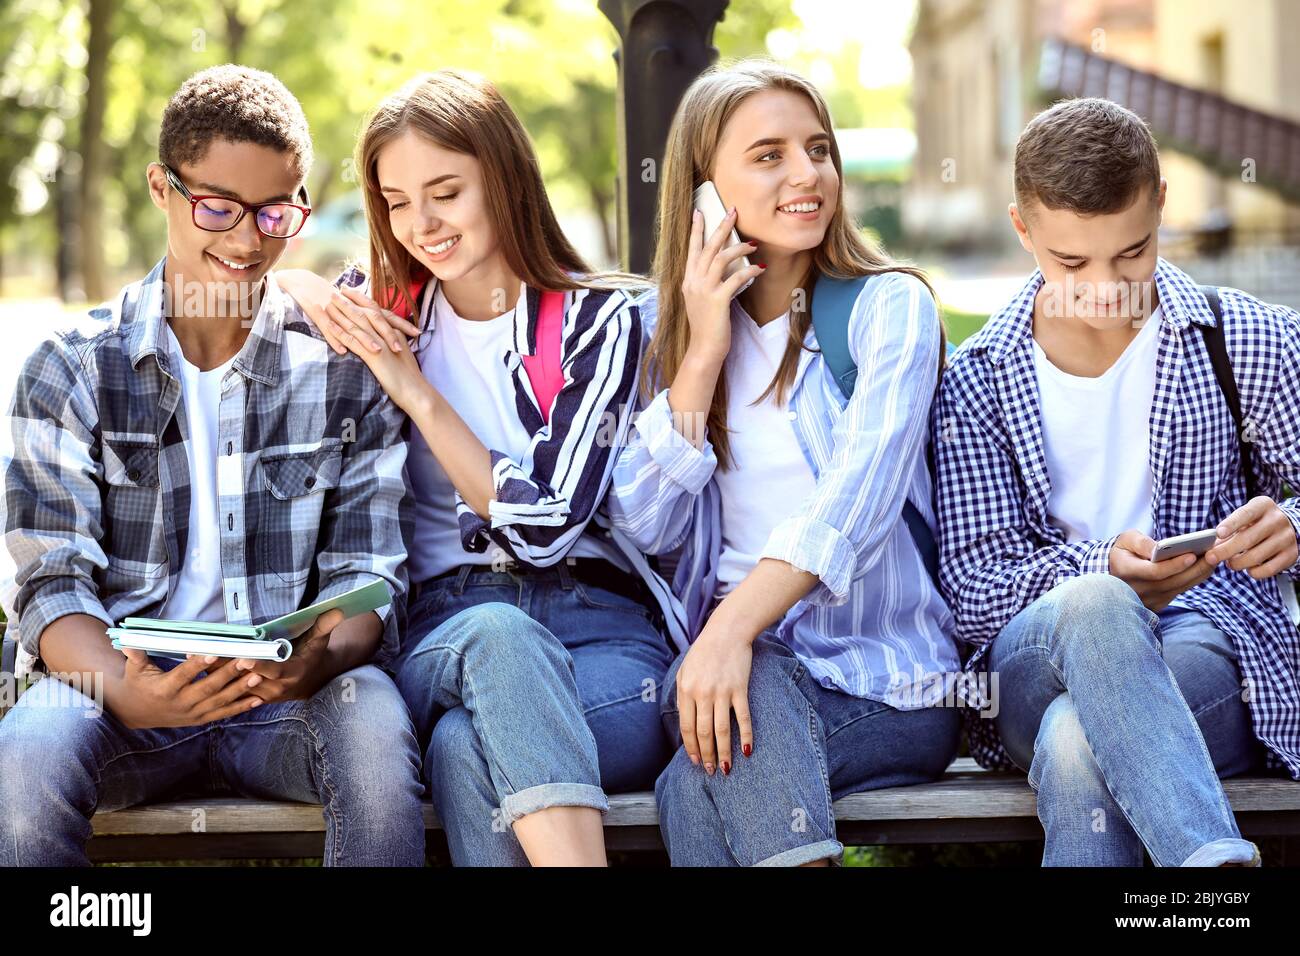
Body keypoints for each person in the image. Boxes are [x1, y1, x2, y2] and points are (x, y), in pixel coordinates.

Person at [0, 64, 425, 867]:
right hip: (123, 695)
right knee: (25, 759)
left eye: (274, 213)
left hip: (283, 698)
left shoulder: (340, 371)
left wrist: (321, 655)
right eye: (219, 208)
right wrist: (127, 689)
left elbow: (365, 571)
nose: (245, 240)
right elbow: (52, 584)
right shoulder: (72, 368)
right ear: (162, 187)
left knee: (369, 722)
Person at [276, 70, 680, 866]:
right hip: (444, 631)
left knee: (466, 750)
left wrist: (416, 391)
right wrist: (295, 279)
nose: (420, 222)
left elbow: (544, 529)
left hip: (601, 637)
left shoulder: (598, 322)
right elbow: (240, 279)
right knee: (496, 637)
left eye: (446, 191)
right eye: (396, 201)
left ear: (503, 176)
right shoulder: (385, 312)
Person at [607, 59, 962, 867]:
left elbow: (852, 506)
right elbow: (643, 523)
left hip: (882, 682)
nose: (808, 175)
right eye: (768, 156)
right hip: (721, 682)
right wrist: (702, 356)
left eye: (817, 149)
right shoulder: (663, 338)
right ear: (702, 194)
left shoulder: (888, 308)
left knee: (704, 771)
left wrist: (730, 629)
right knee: (702, 769)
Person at [933, 96, 1300, 866]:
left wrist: (1294, 523)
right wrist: (1099, 570)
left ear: (1162, 203)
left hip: (1208, 644)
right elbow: (972, 590)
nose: (1106, 288)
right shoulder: (977, 384)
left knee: (1076, 742)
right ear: (1022, 229)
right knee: (1098, 603)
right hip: (1035, 664)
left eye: (1131, 252)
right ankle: (1208, 870)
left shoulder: (1250, 342)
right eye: (1071, 263)